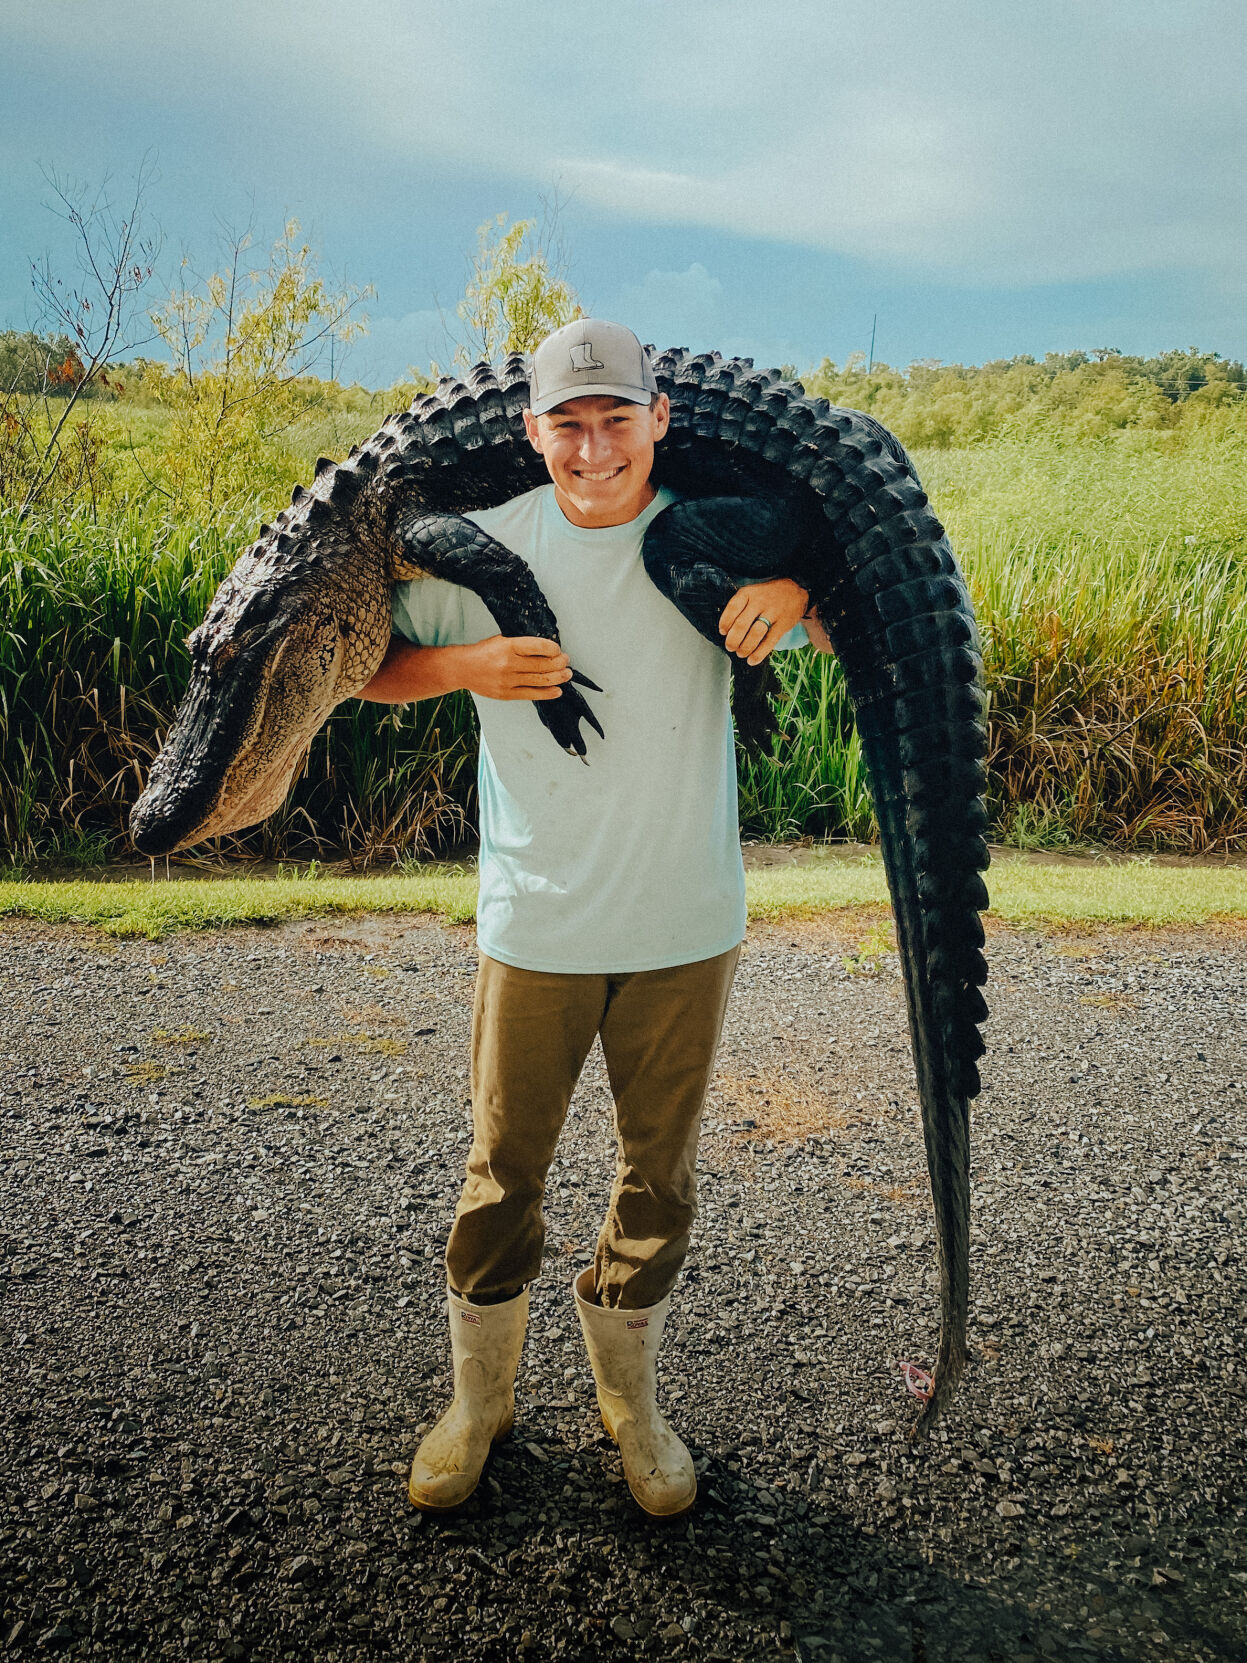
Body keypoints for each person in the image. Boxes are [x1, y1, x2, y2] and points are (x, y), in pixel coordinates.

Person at [358, 318, 833, 1517]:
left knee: (658, 1180)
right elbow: (367, 667)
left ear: (655, 421)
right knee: (499, 1174)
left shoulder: (705, 539)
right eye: (566, 423)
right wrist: (467, 668)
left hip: (685, 919)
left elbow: (841, 625)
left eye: (614, 417)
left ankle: (632, 1402)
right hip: (537, 922)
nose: (591, 446)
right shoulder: (481, 552)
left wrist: (797, 589)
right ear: (533, 433)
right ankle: (480, 1402)